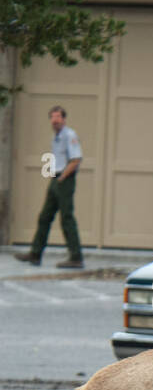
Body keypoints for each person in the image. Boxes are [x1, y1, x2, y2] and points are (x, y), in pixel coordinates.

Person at [16, 105, 84, 268]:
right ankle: (35, 253)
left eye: (58, 117)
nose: (55, 120)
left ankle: (76, 257)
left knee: (67, 217)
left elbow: (76, 159)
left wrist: (62, 177)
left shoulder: (69, 135)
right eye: (52, 117)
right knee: (44, 216)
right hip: (56, 178)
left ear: (64, 119)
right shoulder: (56, 137)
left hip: (64, 179)